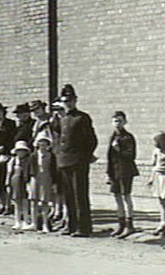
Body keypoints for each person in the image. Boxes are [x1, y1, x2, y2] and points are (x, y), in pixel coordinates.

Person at [53, 84, 98, 238]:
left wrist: (84, 157)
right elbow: (57, 137)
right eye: (65, 101)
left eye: (70, 101)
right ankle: (71, 225)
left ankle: (83, 227)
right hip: (64, 161)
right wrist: (59, 154)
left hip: (78, 162)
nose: (68, 104)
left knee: (80, 194)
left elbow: (91, 140)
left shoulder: (82, 118)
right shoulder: (61, 119)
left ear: (75, 100)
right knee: (68, 195)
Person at [106, 111, 139, 238]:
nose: (117, 124)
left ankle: (130, 225)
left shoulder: (128, 137)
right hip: (114, 171)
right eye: (115, 121)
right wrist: (108, 173)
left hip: (125, 171)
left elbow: (131, 156)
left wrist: (119, 149)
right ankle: (121, 224)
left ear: (125, 122)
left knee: (126, 196)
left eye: (119, 121)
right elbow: (109, 156)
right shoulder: (112, 137)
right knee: (117, 197)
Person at [29, 133, 57, 233]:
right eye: (41, 144)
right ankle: (34, 223)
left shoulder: (51, 156)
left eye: (45, 144)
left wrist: (54, 183)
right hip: (35, 179)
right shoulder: (33, 156)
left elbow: (54, 170)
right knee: (33, 201)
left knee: (45, 202)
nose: (43, 146)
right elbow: (30, 169)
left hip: (46, 178)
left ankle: (45, 224)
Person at [7, 140, 32, 231]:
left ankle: (26, 220)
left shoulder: (28, 160)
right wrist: (7, 183)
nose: (21, 152)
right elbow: (9, 172)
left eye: (22, 150)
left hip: (25, 181)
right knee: (17, 202)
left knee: (25, 202)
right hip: (15, 181)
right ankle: (17, 221)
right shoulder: (13, 160)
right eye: (19, 150)